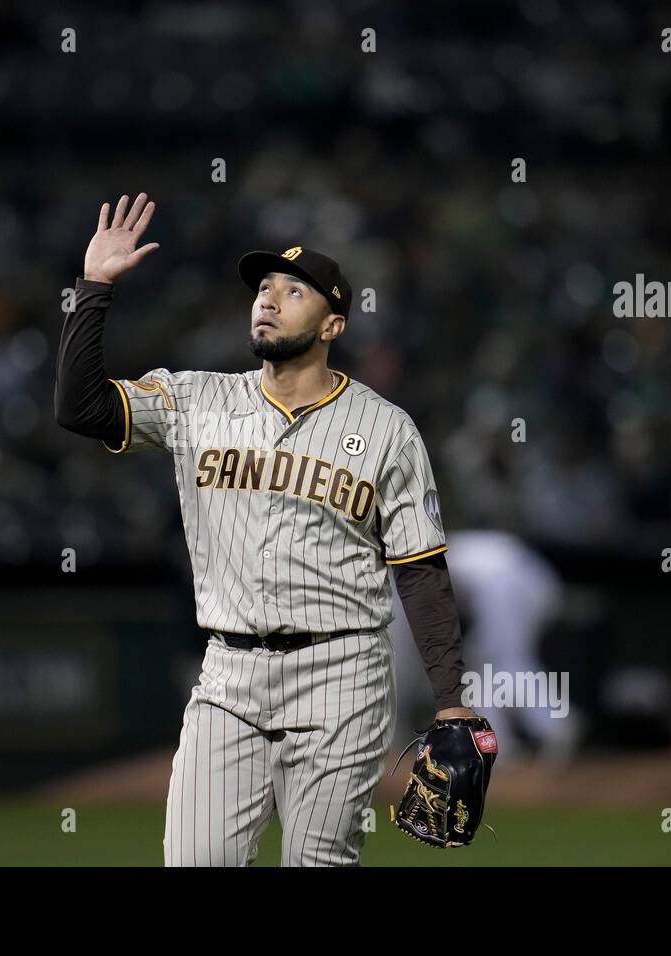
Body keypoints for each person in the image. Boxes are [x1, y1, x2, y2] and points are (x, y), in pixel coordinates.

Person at [55, 192, 482, 866]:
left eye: (293, 291)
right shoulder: (198, 400)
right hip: (227, 674)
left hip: (342, 673)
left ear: (333, 323)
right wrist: (95, 287)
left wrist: (452, 703)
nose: (268, 300)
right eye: (262, 289)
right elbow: (80, 408)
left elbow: (420, 571)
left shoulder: (386, 429)